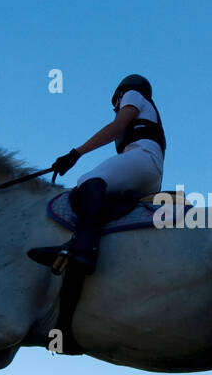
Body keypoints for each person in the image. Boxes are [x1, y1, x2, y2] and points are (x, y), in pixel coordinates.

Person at [28, 74, 165, 275]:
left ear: (120, 93)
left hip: (142, 158)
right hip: (150, 174)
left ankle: (83, 249)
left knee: (88, 180)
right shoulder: (148, 112)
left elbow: (118, 126)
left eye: (115, 102)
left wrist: (75, 154)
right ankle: (87, 240)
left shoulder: (132, 93)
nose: (116, 107)